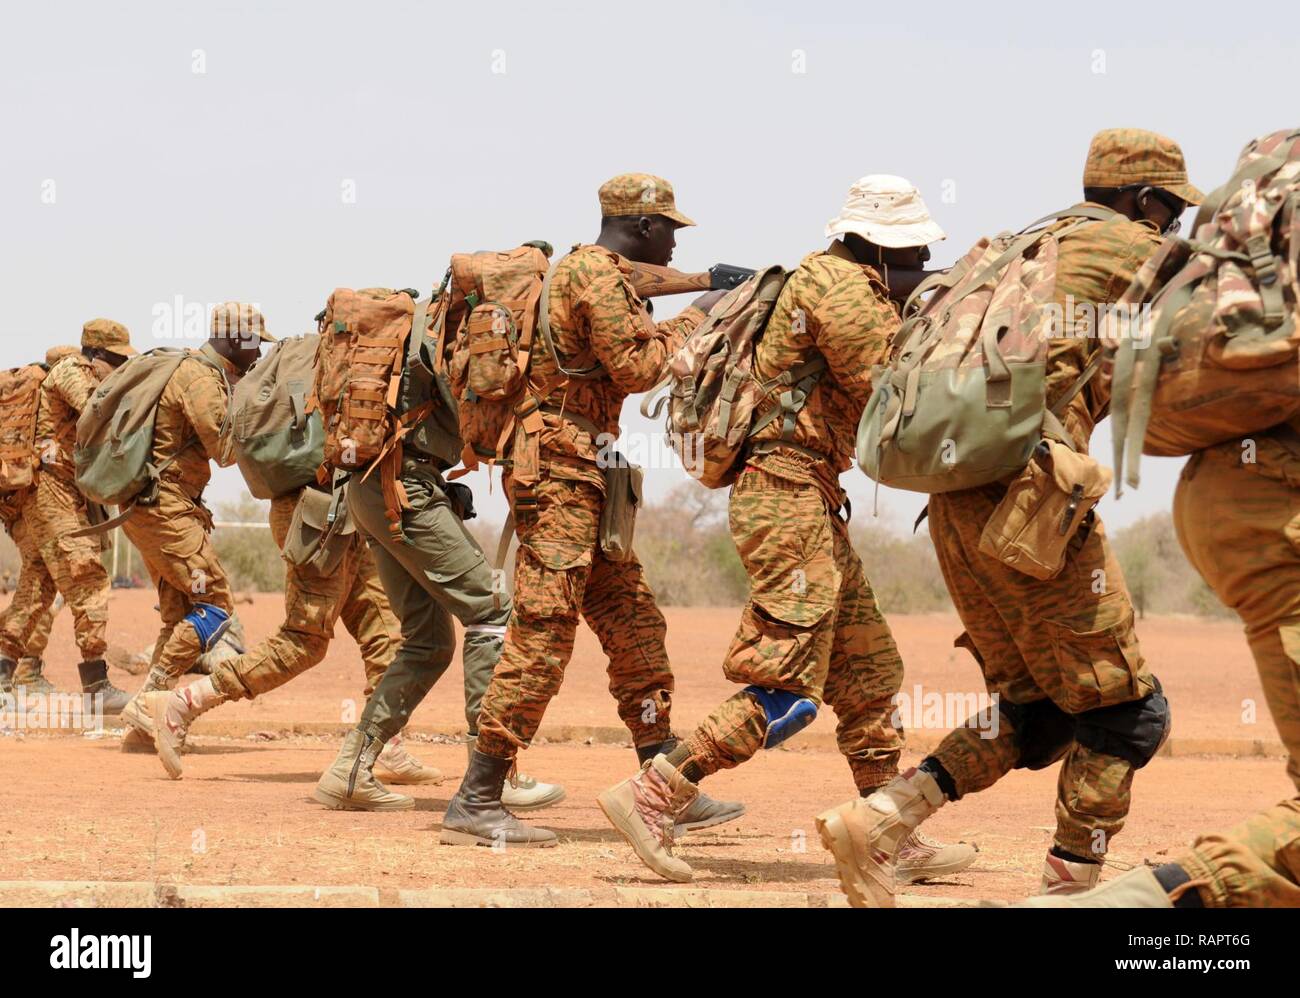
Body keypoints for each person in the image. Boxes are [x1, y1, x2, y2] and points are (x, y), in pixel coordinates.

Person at [816, 129, 1203, 906]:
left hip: (959, 502)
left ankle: (885, 818)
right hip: (1028, 505)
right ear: (1146, 200)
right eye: (1171, 211)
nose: (1175, 228)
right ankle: (1069, 896)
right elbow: (1224, 301)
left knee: (1043, 709)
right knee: (1128, 710)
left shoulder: (1024, 245)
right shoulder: (1130, 246)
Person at [596, 175, 973, 884]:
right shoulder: (840, 289)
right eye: (916, 246)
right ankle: (654, 792)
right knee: (789, 686)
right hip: (786, 493)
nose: (922, 252)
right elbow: (901, 392)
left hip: (808, 495)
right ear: (882, 245)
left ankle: (883, 831)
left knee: (868, 674)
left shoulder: (842, 281)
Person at [440, 173, 744, 848]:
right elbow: (639, 367)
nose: (673, 243)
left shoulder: (599, 273)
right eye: (669, 230)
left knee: (634, 624)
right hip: (557, 474)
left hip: (589, 474)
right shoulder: (596, 276)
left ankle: (661, 780)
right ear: (642, 227)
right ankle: (477, 796)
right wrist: (709, 309)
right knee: (543, 633)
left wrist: (700, 287)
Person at [120, 303, 270, 739]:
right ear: (233, 340)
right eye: (255, 341)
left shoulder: (190, 369)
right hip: (166, 508)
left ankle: (144, 724)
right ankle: (150, 702)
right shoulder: (201, 378)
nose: (259, 352)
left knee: (177, 615)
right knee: (216, 607)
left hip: (153, 509)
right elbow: (225, 449)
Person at [2, 324, 136, 710]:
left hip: (41, 492)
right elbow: (98, 412)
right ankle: (96, 684)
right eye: (119, 360)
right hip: (51, 490)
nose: (121, 367)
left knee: (37, 586)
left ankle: (3, 673)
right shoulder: (71, 371)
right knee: (87, 577)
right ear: (99, 355)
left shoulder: (67, 373)